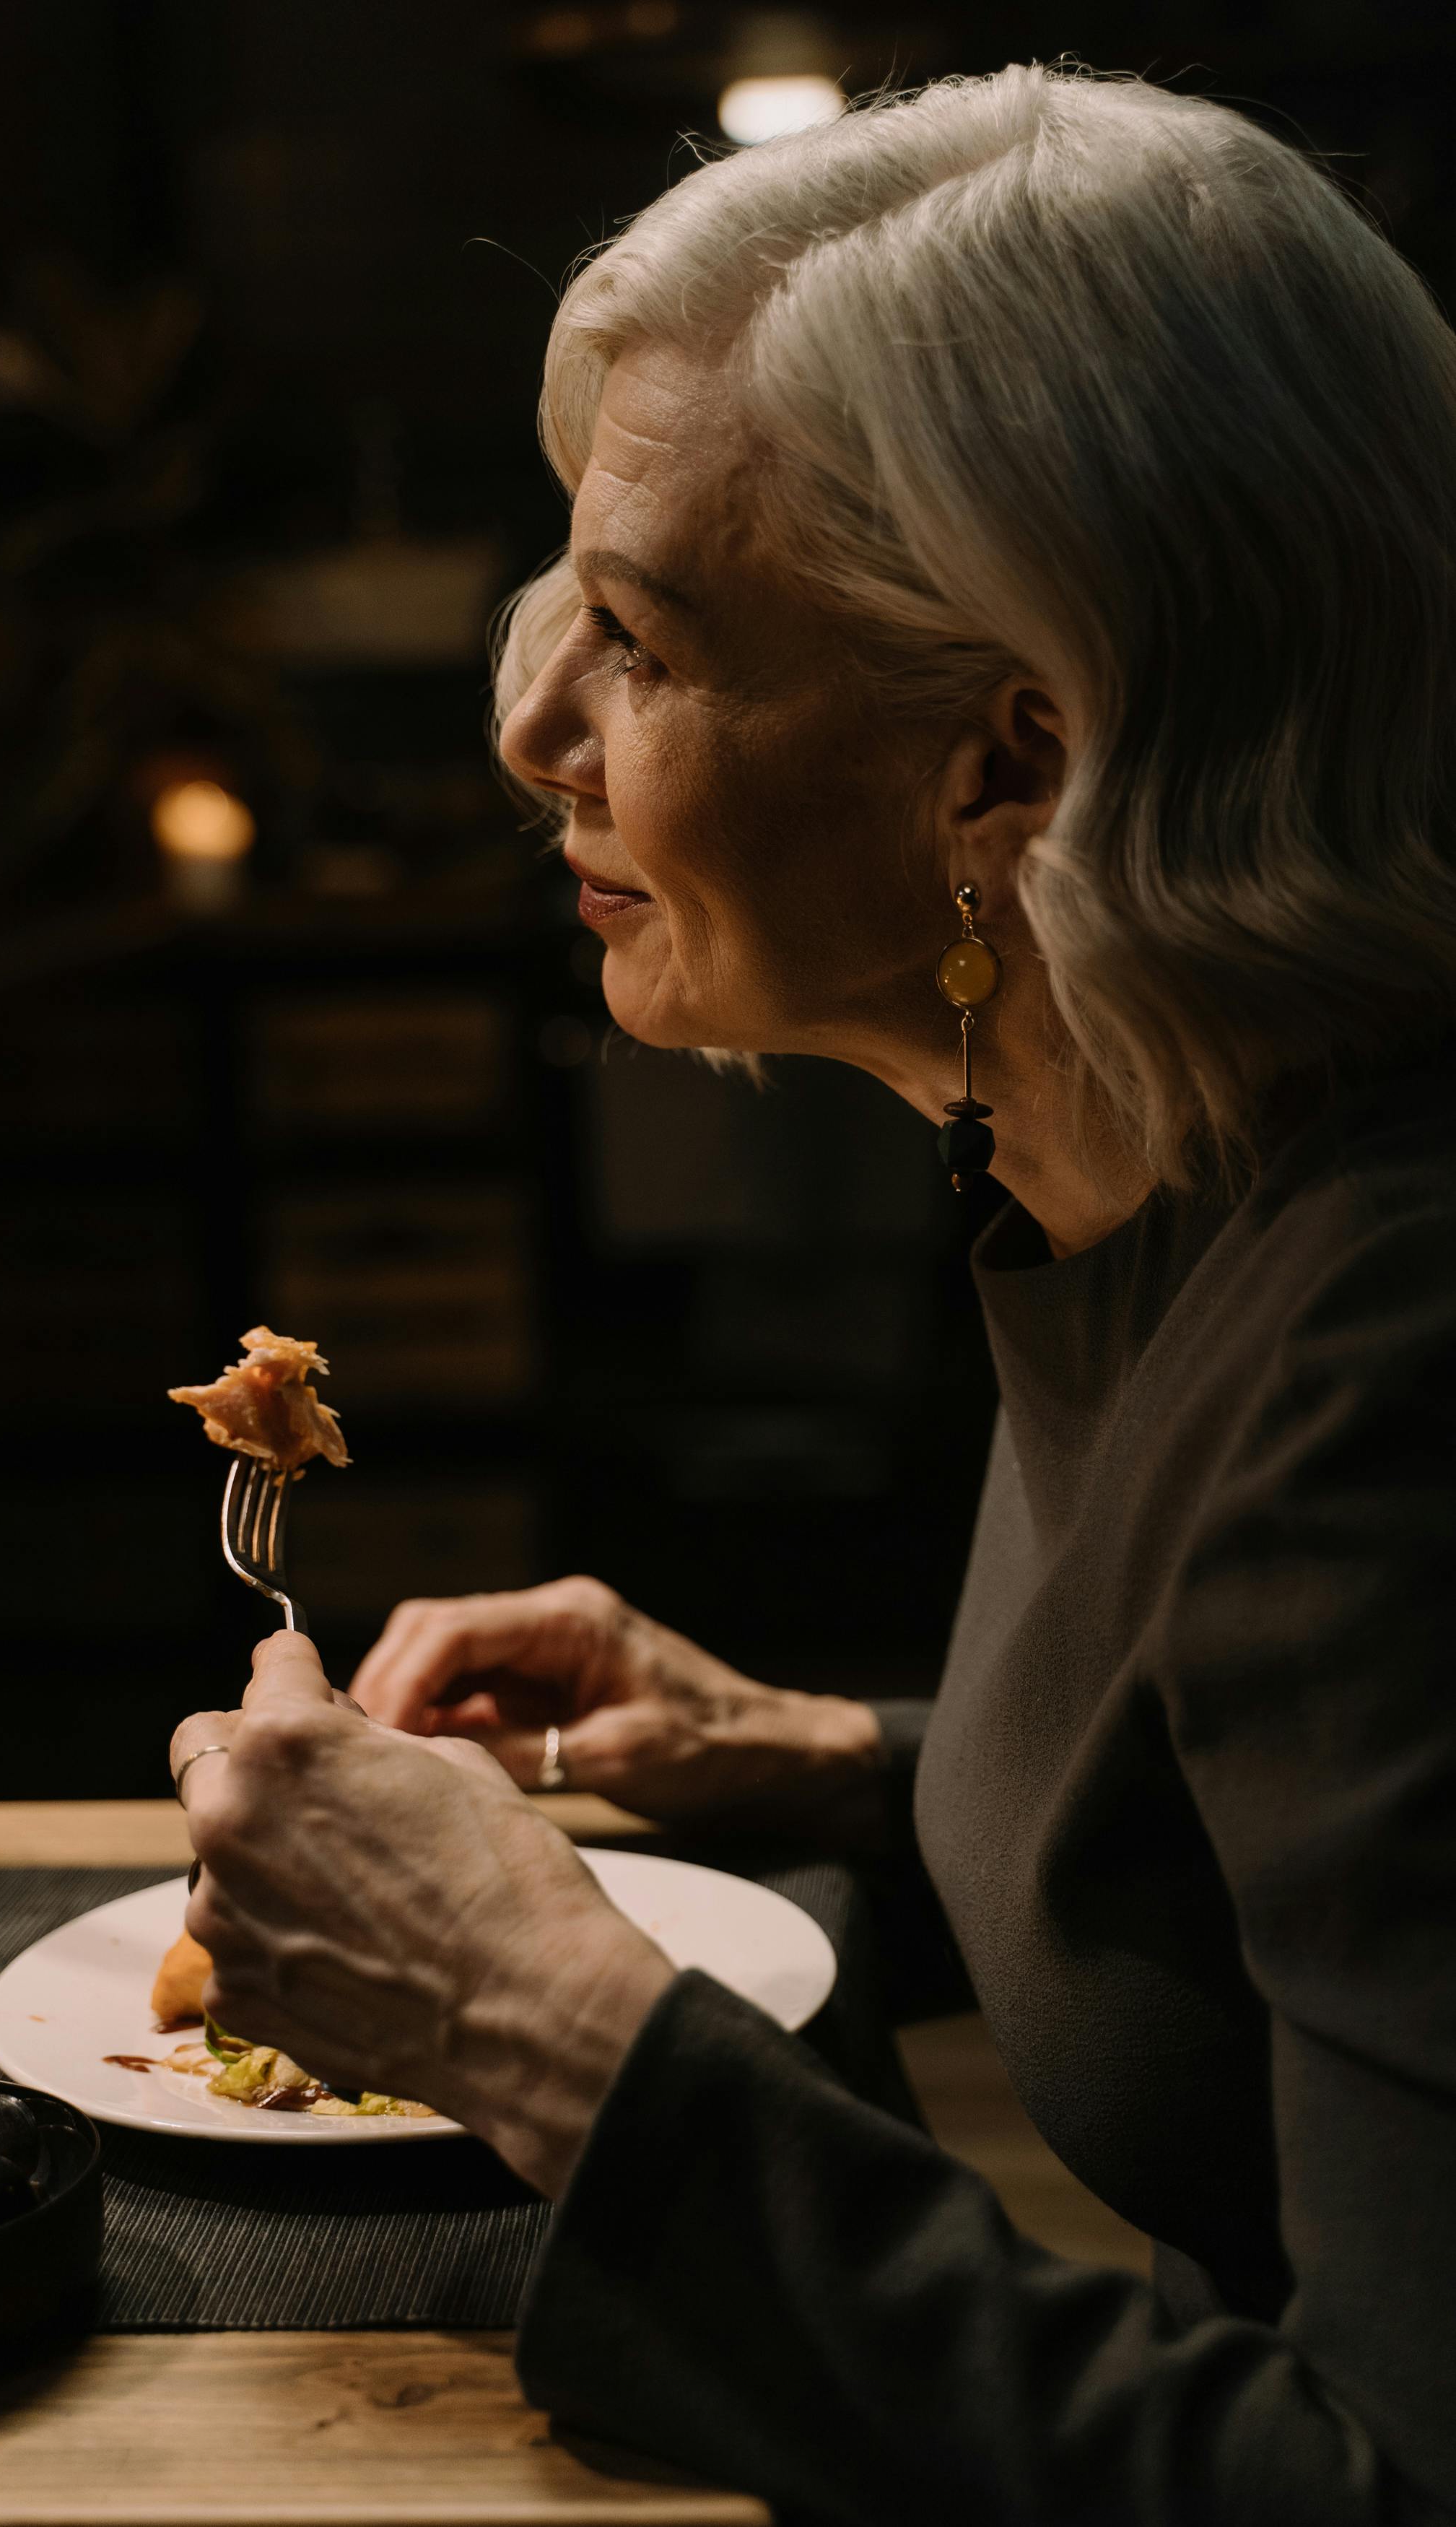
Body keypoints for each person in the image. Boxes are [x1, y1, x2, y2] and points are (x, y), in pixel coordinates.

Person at [170, 64, 1456, 2524]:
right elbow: (1293, 1814)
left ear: (1015, 764)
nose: (532, 721)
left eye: (639, 635)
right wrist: (832, 1752)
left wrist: (543, 2024)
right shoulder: (1152, 1162)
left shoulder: (1405, 1355)